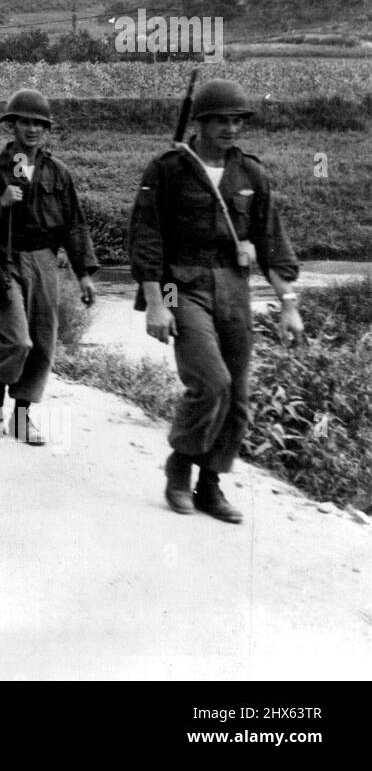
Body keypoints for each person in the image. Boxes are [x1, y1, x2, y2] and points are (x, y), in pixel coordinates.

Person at [129, 78, 302, 522]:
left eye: (237, 121)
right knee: (212, 382)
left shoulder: (251, 174)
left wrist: (289, 303)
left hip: (233, 289)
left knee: (239, 397)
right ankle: (179, 466)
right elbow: (148, 240)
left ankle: (211, 483)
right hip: (178, 285)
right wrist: (157, 303)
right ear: (201, 123)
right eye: (221, 120)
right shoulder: (168, 168)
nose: (230, 129)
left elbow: (271, 244)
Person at [0, 89, 98, 445]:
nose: (32, 129)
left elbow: (74, 225)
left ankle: (21, 416)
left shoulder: (57, 173)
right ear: (12, 125)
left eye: (39, 123)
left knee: (44, 341)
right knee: (18, 340)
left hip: (44, 260)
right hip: (1, 258)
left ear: (46, 129)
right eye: (24, 122)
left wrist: (84, 274)